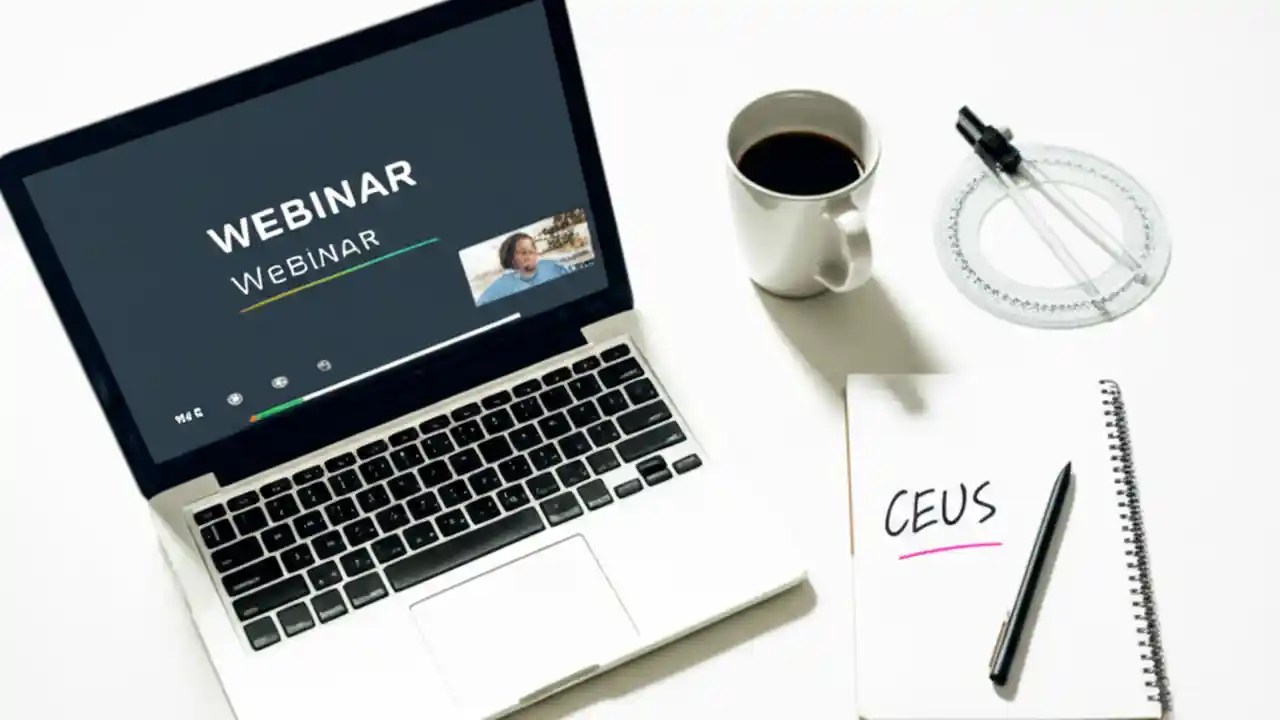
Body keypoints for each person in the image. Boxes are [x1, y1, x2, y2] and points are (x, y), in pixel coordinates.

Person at [476, 231, 571, 304]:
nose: (529, 256)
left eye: (532, 251)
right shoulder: (503, 285)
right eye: (523, 252)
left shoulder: (551, 266)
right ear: (510, 258)